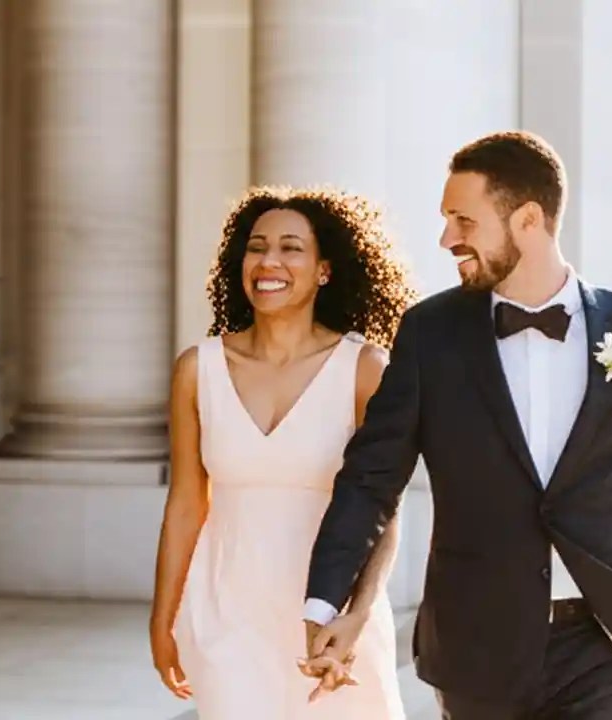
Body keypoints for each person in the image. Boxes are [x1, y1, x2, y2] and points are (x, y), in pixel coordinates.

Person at [302, 130, 612, 719]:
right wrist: (325, 602)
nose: (446, 238)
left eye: (463, 220)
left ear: (528, 219)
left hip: (604, 644)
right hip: (476, 643)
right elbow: (371, 478)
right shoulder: (430, 334)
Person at [149, 186, 418, 718]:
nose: (268, 261)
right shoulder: (195, 370)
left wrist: (358, 614)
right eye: (256, 247)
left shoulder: (364, 369)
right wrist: (163, 617)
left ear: (324, 269)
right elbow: (185, 504)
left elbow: (383, 510)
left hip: (331, 621)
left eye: (291, 248)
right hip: (225, 615)